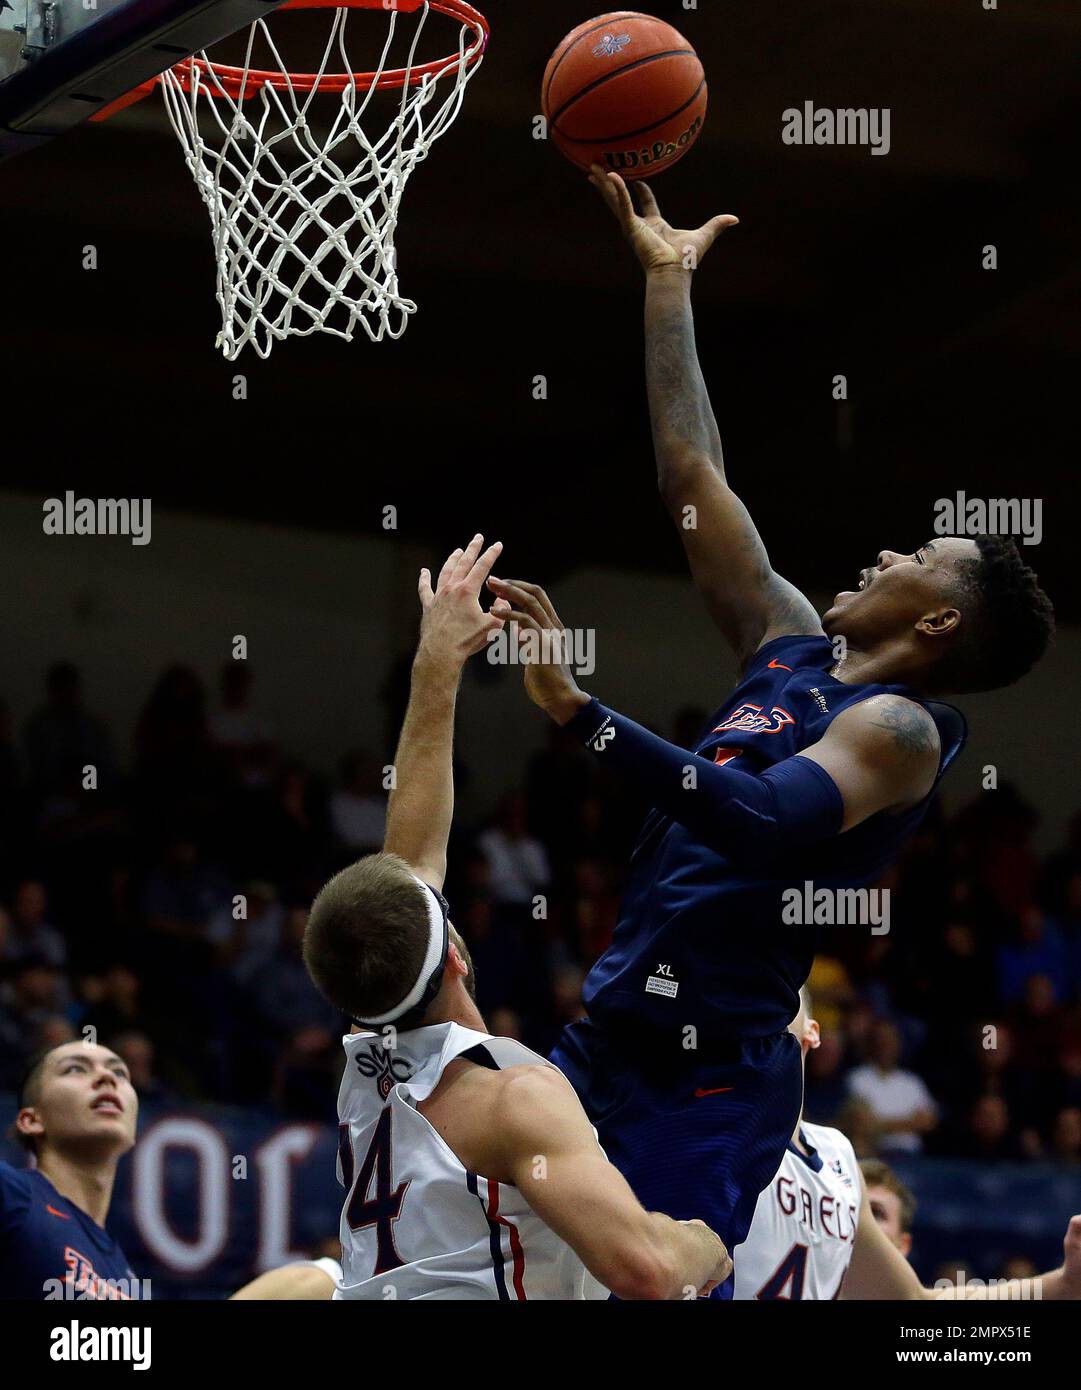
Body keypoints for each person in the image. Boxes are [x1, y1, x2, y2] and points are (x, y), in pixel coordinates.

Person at [484, 168, 1054, 1297]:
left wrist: (577, 714)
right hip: (611, 1020)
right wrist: (665, 283)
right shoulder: (790, 643)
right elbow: (692, 475)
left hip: (715, 1061)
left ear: (938, 620)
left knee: (659, 1272)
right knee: (512, 1256)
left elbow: (758, 819)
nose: (886, 554)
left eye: (916, 560)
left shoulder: (899, 731)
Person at [300, 535, 730, 1300]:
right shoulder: (512, 1100)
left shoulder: (363, 1068)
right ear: (459, 954)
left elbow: (412, 851)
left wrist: (436, 665)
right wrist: (703, 1242)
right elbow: (647, 1272)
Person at [732, 991, 1080, 1300]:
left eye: (776, 995)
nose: (759, 1015)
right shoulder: (712, 1138)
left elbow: (911, 1297)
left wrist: (1063, 1285)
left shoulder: (837, 1154)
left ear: (811, 1034)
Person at [0, 1040, 142, 1299]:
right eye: (76, 1069)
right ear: (31, 1120)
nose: (107, 1076)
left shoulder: (127, 1276)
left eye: (120, 1073)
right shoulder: (10, 1194)